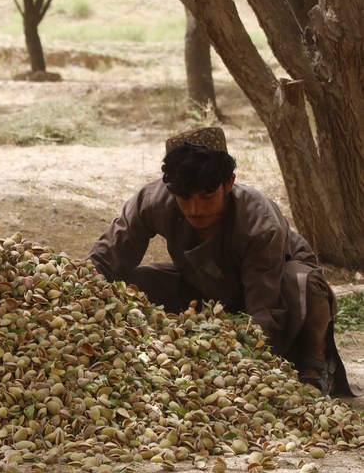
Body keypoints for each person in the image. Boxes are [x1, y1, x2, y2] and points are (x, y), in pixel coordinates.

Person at [89, 127, 358, 396]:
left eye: (207, 196)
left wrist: (234, 366)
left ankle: (315, 362)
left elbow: (265, 308)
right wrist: (75, 290)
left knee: (304, 285)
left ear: (229, 183)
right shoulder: (152, 200)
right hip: (204, 289)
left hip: (275, 291)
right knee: (134, 283)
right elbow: (105, 259)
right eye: (185, 198)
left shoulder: (261, 223)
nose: (196, 209)